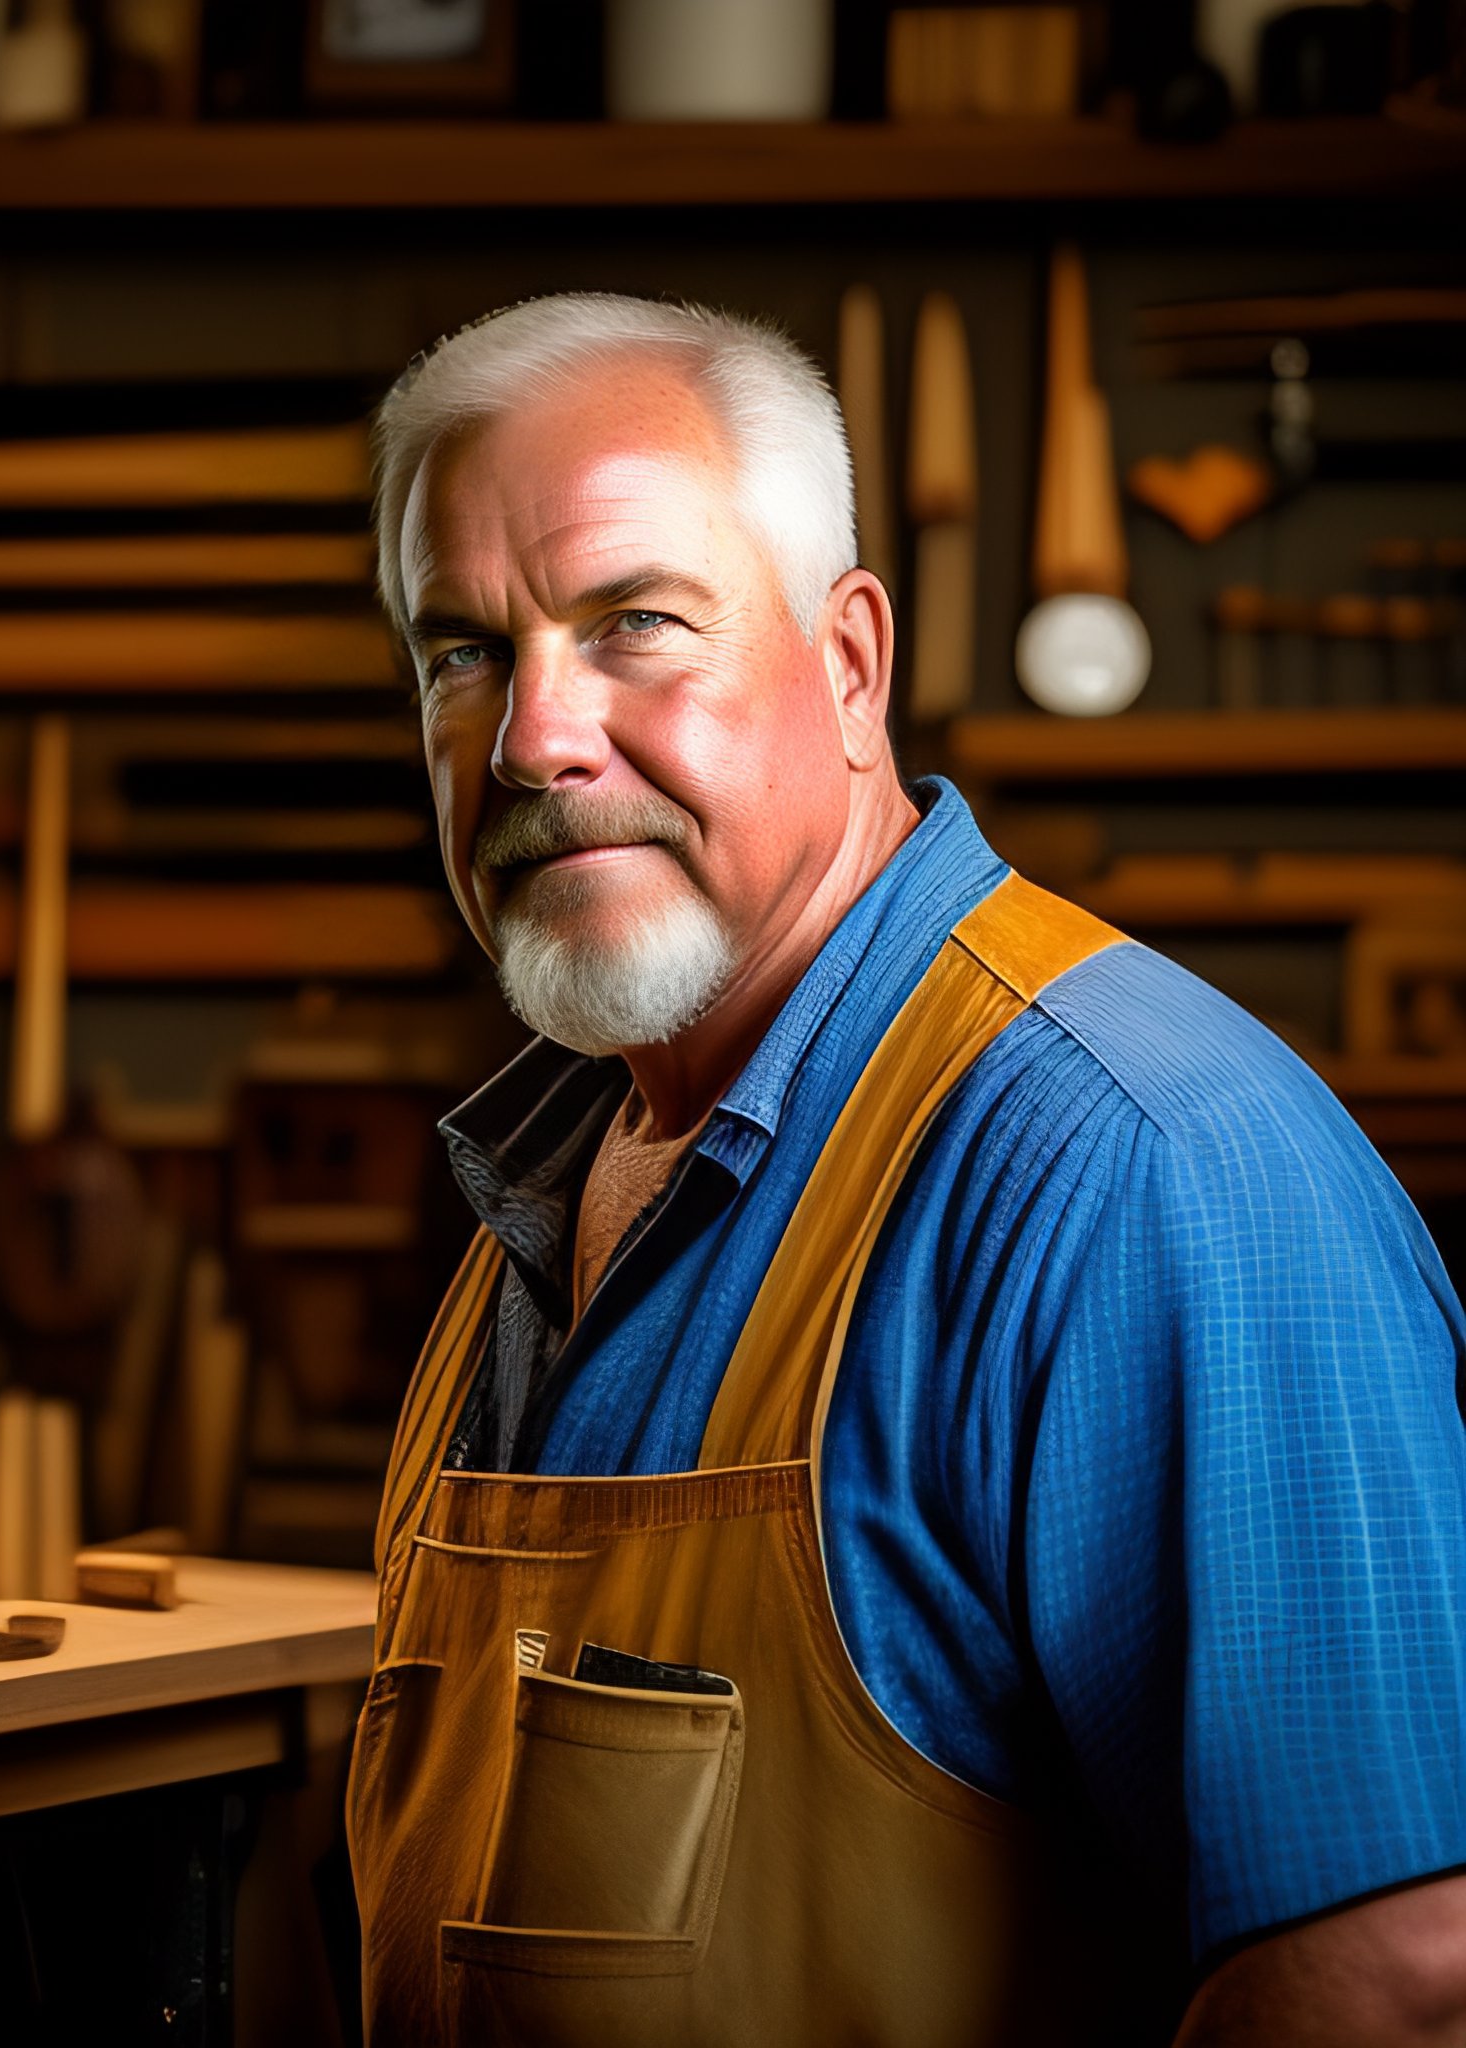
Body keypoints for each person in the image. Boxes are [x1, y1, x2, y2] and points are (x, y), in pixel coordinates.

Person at [350, 293, 1466, 2046]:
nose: (531, 740)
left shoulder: (1146, 1173)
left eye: (635, 622)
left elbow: (1394, 1983)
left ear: (850, 664)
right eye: (461, 653)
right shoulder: (549, 1180)